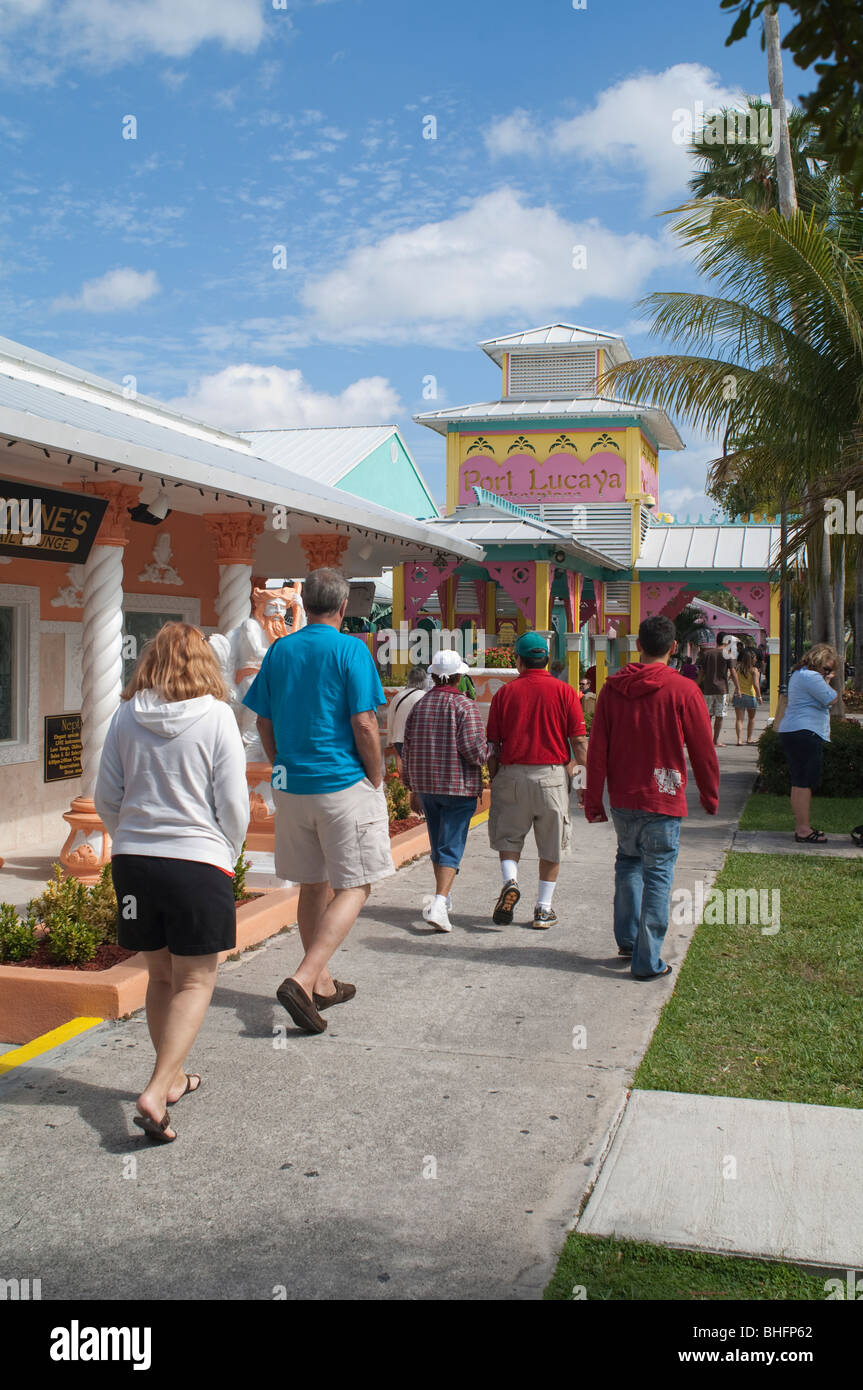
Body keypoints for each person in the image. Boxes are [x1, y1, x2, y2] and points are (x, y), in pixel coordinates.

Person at [94, 623, 250, 1143]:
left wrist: (131, 839)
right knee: (196, 980)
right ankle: (158, 1087)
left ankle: (175, 1077)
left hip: (135, 862)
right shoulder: (218, 717)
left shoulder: (124, 715)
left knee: (160, 979)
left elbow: (106, 798)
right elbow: (232, 802)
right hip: (198, 861)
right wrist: (227, 851)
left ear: (151, 661)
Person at [244, 567, 394, 1034]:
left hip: (293, 787)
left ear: (303, 604)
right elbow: (365, 722)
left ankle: (322, 985)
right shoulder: (351, 648)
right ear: (344, 607)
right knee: (356, 884)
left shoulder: (281, 650)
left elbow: (262, 723)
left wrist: (282, 764)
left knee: (313, 884)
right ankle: (303, 977)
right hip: (341, 784)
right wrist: (377, 774)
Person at [584, 615, 720, 980]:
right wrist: (710, 794)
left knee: (628, 862)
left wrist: (593, 799)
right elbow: (703, 749)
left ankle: (628, 941)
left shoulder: (612, 689)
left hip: (624, 797)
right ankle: (647, 961)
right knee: (658, 874)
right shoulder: (684, 690)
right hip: (664, 796)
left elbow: (598, 749)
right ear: (674, 648)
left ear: (638, 645)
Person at [486, 631, 587, 928]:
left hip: (513, 773)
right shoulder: (565, 691)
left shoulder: (504, 693)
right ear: (545, 659)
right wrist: (583, 783)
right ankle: (543, 909)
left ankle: (511, 881)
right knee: (552, 845)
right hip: (552, 777)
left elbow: (493, 744)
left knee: (508, 837)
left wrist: (495, 777)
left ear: (518, 660)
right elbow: (579, 742)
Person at [400, 649, 488, 932]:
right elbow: (474, 751)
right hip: (457, 786)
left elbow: (408, 750)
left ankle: (443, 898)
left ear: (434, 676)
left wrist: (411, 787)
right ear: (460, 676)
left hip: (426, 787)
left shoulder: (419, 705)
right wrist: (492, 750)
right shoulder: (465, 706)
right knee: (451, 846)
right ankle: (439, 903)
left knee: (438, 844)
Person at [778, 643, 839, 844]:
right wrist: (828, 682)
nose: (829, 672)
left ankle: (801, 825)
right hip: (806, 731)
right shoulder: (812, 677)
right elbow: (831, 698)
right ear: (819, 662)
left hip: (793, 730)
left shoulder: (799, 674)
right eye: (827, 669)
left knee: (798, 781)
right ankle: (803, 828)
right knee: (805, 782)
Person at [697, 630, 740, 745]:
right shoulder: (728, 654)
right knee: (719, 716)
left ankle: (706, 740)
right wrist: (738, 688)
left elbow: (702, 672)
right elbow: (733, 672)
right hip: (722, 690)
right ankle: (715, 741)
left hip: (708, 689)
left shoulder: (707, 654)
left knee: (707, 716)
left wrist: (696, 685)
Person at [386, 665, 428, 759]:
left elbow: (390, 718)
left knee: (407, 766)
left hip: (398, 740)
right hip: (416, 740)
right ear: (423, 680)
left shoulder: (398, 696)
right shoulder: (424, 696)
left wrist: (390, 738)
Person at [733, 646, 762, 745]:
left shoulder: (737, 668)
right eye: (755, 658)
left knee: (739, 719)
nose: (756, 659)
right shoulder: (754, 670)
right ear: (751, 659)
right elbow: (756, 684)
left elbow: (731, 677)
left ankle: (739, 740)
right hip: (751, 695)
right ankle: (749, 738)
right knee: (751, 718)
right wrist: (759, 696)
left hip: (739, 695)